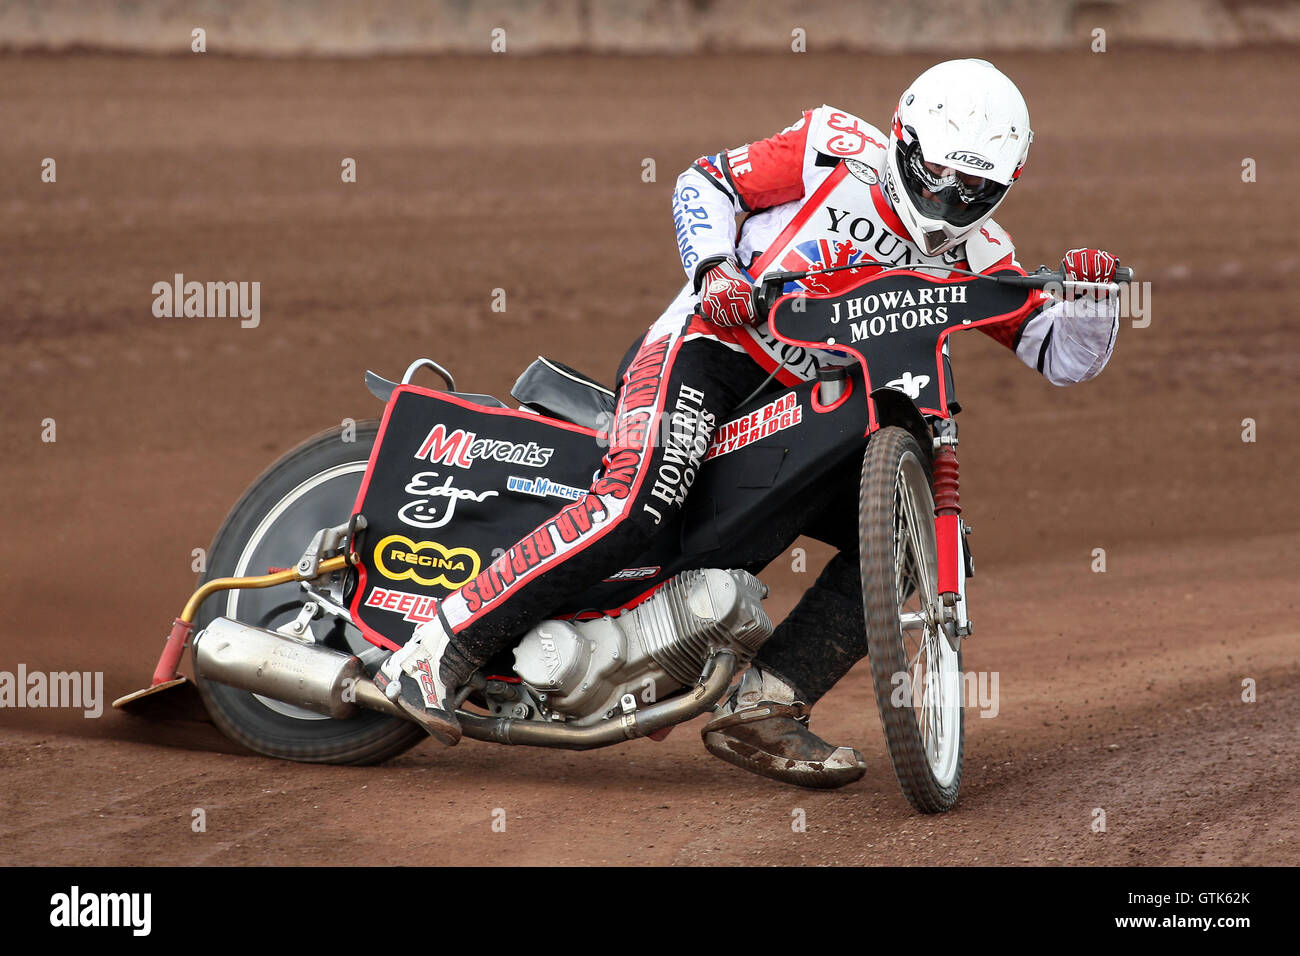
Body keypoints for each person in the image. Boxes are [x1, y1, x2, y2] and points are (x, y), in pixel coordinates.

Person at [375, 58, 1123, 789]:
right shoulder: (832, 145)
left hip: (800, 409)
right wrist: (715, 270)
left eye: (975, 190)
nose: (952, 201)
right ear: (903, 140)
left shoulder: (985, 253)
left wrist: (1090, 300)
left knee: (904, 539)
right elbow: (705, 181)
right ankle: (434, 649)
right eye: (939, 177)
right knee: (641, 502)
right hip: (709, 349)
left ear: (1005, 185)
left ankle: (761, 706)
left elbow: (1061, 357)